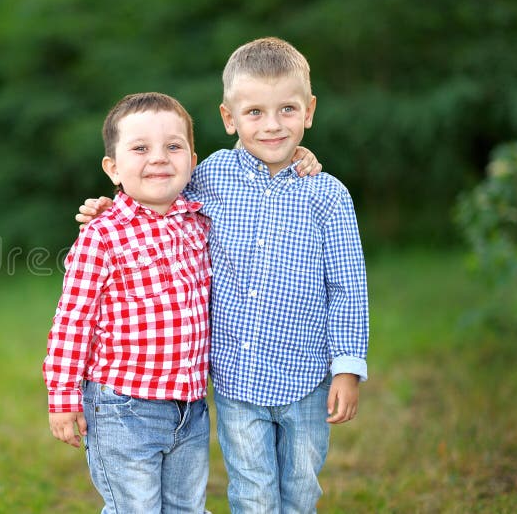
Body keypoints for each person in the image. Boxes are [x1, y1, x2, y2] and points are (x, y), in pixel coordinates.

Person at [77, 37, 369, 513]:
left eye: (287, 110)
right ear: (229, 118)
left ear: (309, 111)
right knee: (251, 489)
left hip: (308, 375)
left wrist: (348, 367)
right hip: (236, 376)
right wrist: (108, 208)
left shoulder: (328, 196)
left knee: (300, 489)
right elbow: (155, 190)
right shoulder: (209, 175)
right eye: (254, 112)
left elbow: (347, 287)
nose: (272, 125)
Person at [43, 92, 213, 513]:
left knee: (186, 508)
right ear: (113, 167)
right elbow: (73, 320)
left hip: (189, 407)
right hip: (123, 407)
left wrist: (298, 154)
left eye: (173, 146)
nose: (159, 158)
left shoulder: (201, 223)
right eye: (140, 148)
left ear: (193, 159)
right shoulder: (102, 235)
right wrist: (62, 397)